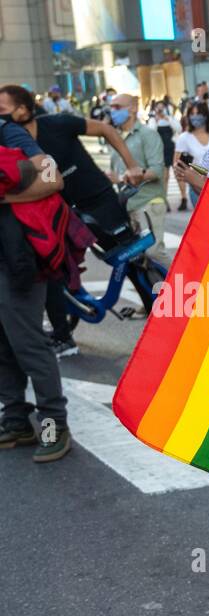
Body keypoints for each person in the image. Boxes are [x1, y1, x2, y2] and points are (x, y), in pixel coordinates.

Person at [3, 84, 143, 359]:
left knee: (131, 258)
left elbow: (105, 129)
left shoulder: (57, 123)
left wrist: (131, 165)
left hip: (99, 199)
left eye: (2, 110)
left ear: (22, 110)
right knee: (55, 271)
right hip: (65, 213)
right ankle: (64, 337)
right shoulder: (10, 141)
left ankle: (159, 310)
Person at [0, 103, 71, 462]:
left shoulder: (7, 132)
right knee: (2, 346)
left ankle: (53, 424)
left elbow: (52, 178)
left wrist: (4, 195)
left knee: (28, 343)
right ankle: (16, 420)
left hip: (16, 259)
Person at [106, 93, 168, 265]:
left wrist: (125, 177)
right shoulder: (115, 137)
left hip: (149, 202)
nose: (113, 111)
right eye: (111, 107)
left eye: (117, 107)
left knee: (153, 252)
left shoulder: (148, 134)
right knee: (139, 260)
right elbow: (116, 173)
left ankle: (187, 288)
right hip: (129, 205)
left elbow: (157, 170)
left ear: (133, 108)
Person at [174, 102, 209, 209]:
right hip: (197, 187)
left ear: (205, 115)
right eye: (192, 114)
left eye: (199, 113)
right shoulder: (184, 138)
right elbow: (177, 164)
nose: (196, 117)